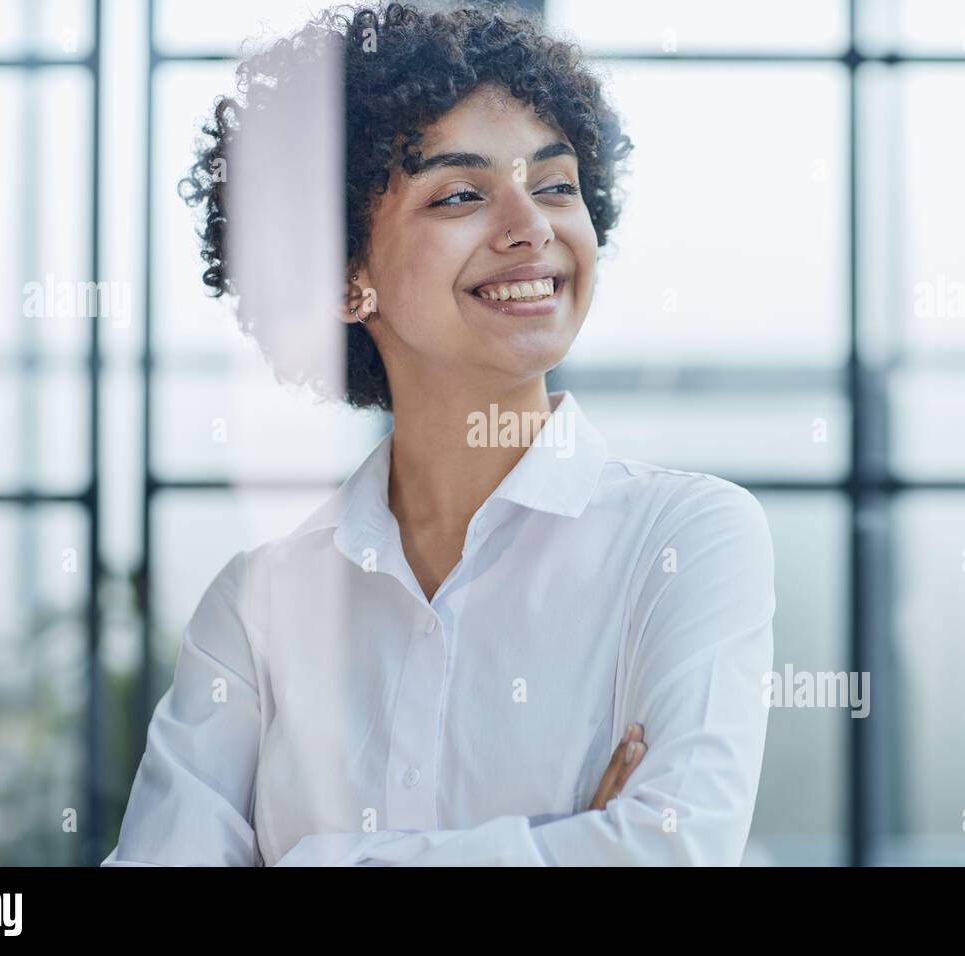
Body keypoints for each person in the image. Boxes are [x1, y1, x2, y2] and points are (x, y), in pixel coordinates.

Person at [103, 0, 775, 866]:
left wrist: (308, 856)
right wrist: (554, 845)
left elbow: (669, 850)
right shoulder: (257, 608)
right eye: (461, 193)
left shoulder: (687, 539)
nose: (531, 226)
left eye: (555, 184)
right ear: (345, 278)